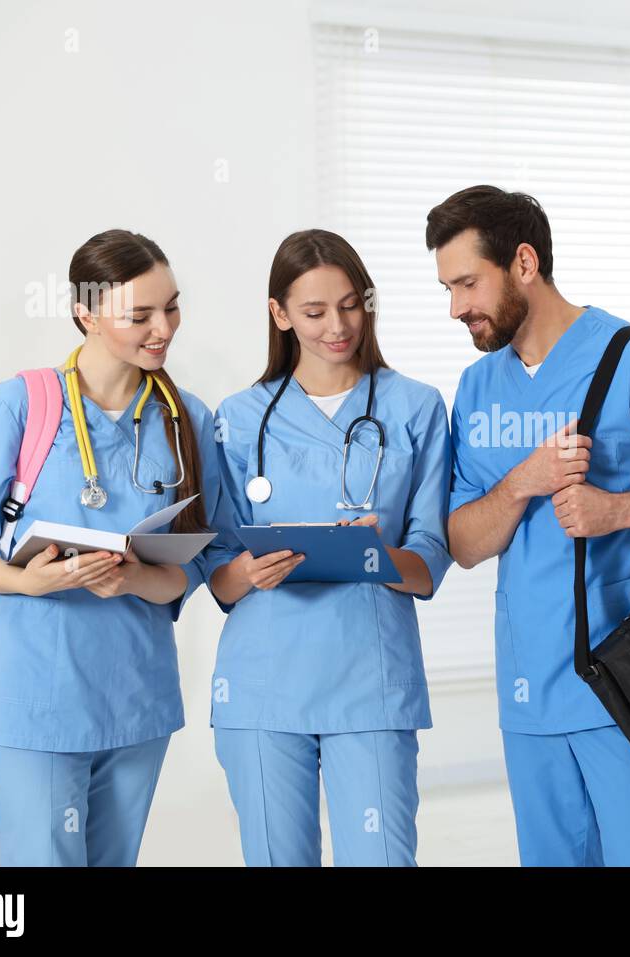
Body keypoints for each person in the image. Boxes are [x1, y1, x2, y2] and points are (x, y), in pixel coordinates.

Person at [429, 185, 630, 866]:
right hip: (530, 694)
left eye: (467, 282)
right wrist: (523, 479)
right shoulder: (477, 386)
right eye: (448, 288)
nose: (457, 306)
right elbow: (463, 543)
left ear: (524, 262)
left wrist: (622, 509)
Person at [0, 230, 227, 865]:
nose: (163, 329)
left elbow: (199, 562)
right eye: (139, 315)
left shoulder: (189, 420)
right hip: (35, 688)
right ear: (85, 315)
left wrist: (133, 580)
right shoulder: (20, 404)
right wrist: (27, 582)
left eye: (171, 307)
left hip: (134, 694)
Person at [206, 230, 452, 866]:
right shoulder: (236, 418)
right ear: (280, 314)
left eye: (351, 304)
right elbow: (219, 577)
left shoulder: (415, 407)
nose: (337, 327)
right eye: (314, 312)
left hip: (369, 682)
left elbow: (428, 558)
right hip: (263, 687)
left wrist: (377, 554)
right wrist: (249, 571)